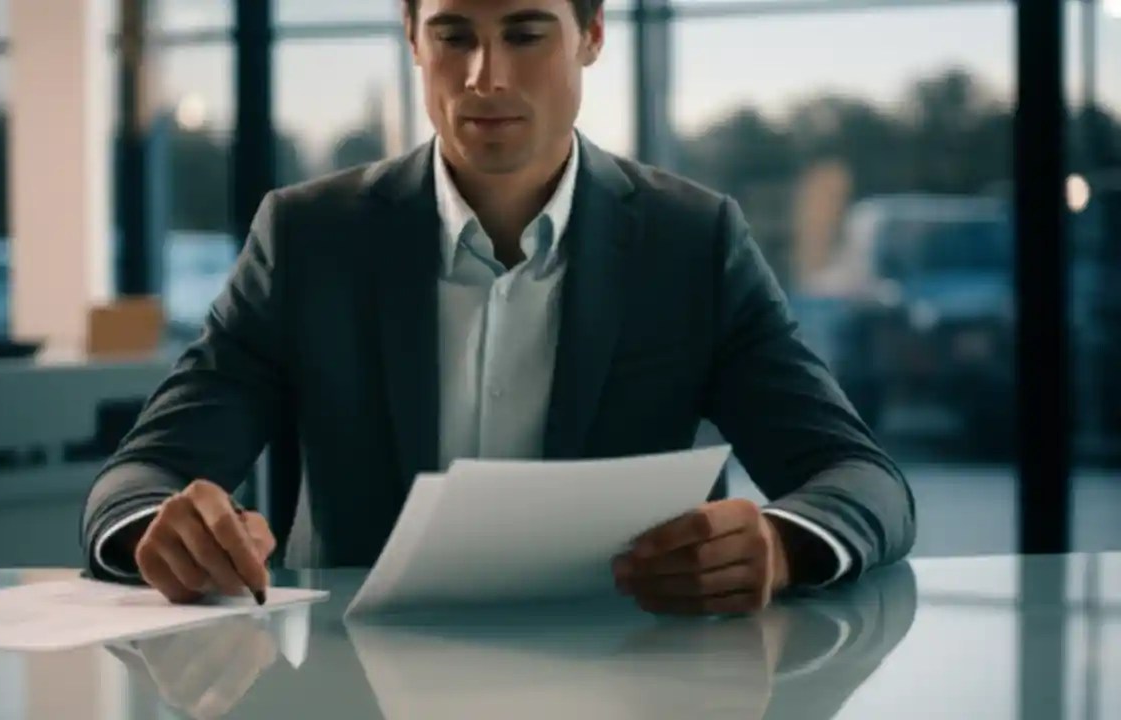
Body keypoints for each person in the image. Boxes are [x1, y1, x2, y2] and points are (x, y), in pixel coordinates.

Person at [80, 0, 916, 615]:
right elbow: (138, 475)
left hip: (625, 676)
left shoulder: (690, 242)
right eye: (454, 35)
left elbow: (862, 479)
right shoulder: (308, 239)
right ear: (412, 38)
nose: (487, 76)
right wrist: (165, 529)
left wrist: (779, 545)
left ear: (589, 37)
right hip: (356, 681)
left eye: (524, 32)